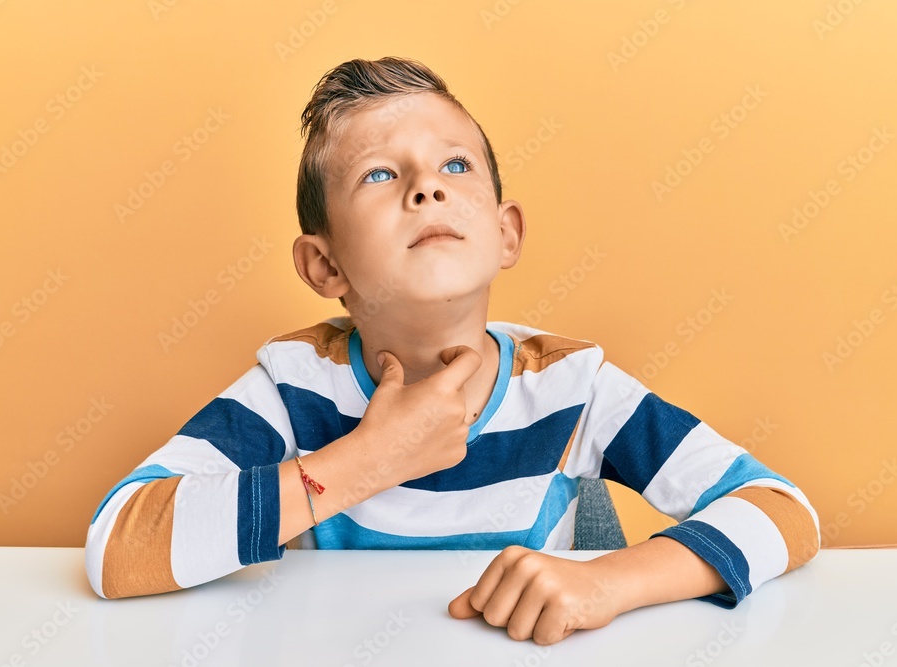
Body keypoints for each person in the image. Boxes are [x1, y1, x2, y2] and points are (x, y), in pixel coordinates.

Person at [85, 56, 820, 646]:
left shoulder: (572, 386)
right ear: (325, 266)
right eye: (380, 174)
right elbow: (118, 544)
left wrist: (607, 582)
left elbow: (783, 511)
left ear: (505, 233)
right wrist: (373, 459)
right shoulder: (291, 387)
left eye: (456, 166)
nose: (426, 188)